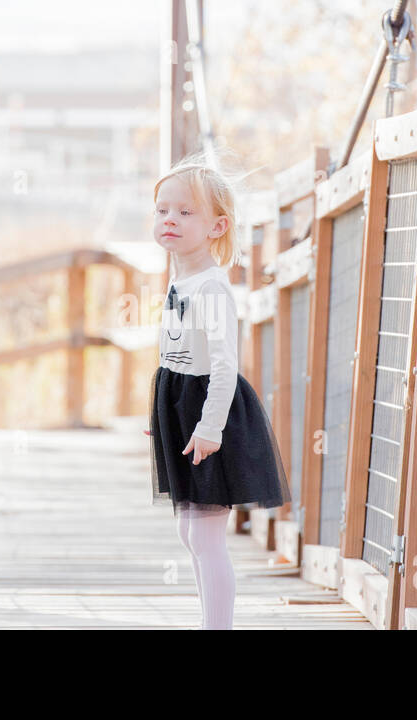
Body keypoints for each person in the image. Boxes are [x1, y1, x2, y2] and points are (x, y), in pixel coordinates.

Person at [146, 150, 291, 630]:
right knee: (190, 532)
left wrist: (210, 428)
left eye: (186, 212)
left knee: (206, 537)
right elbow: (173, 350)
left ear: (216, 227)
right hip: (180, 405)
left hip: (211, 413)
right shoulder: (179, 275)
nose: (170, 220)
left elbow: (226, 367)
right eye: (163, 209)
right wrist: (159, 417)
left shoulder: (209, 288)